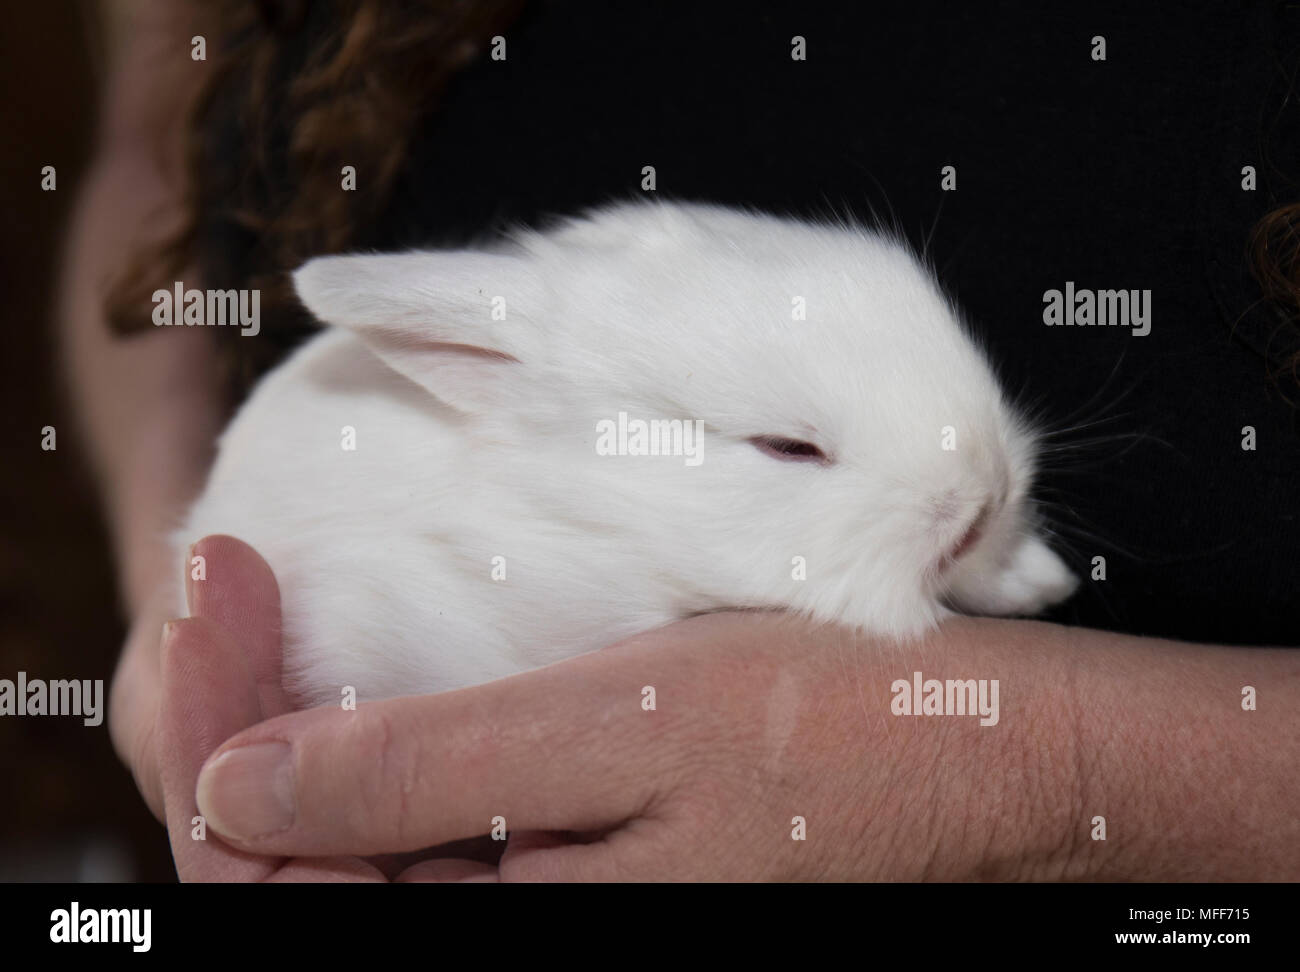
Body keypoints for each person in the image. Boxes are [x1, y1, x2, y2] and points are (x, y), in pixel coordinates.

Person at [61, 0, 1300, 880]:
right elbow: (154, 137)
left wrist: (1072, 776)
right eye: (793, 452)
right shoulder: (486, 503)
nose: (973, 483)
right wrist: (179, 637)